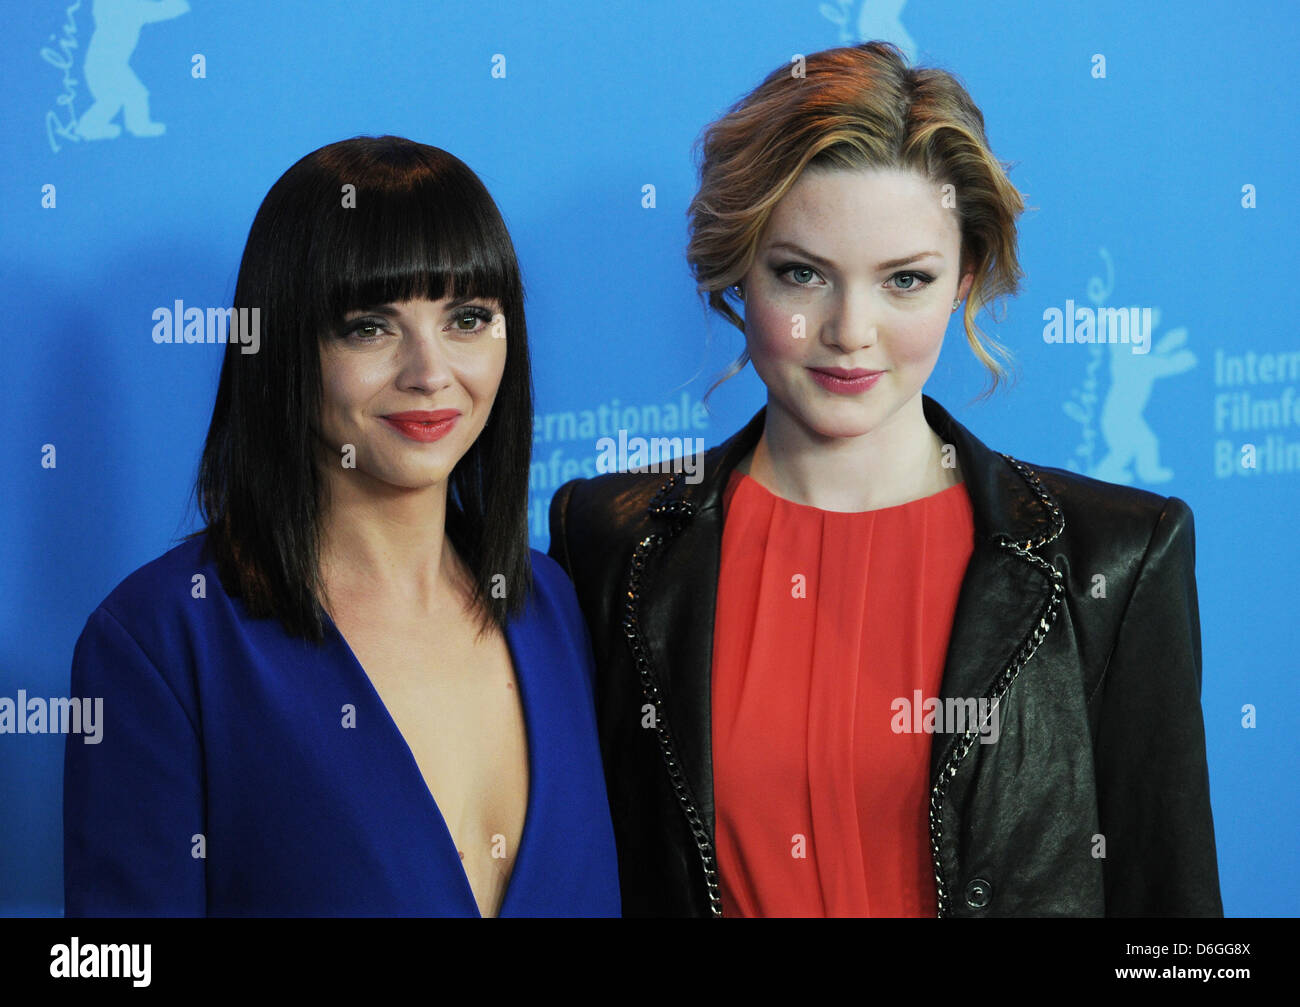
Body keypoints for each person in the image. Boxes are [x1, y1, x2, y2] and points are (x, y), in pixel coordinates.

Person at [547, 42, 1222, 917]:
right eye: (801, 274)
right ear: (735, 272)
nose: (851, 330)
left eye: (906, 279)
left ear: (964, 280)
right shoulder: (612, 540)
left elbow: (1183, 939)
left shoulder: (1116, 554)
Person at [64, 135, 620, 917]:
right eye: (370, 326)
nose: (430, 372)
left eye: (466, 317)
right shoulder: (161, 642)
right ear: (284, 348)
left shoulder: (554, 603)